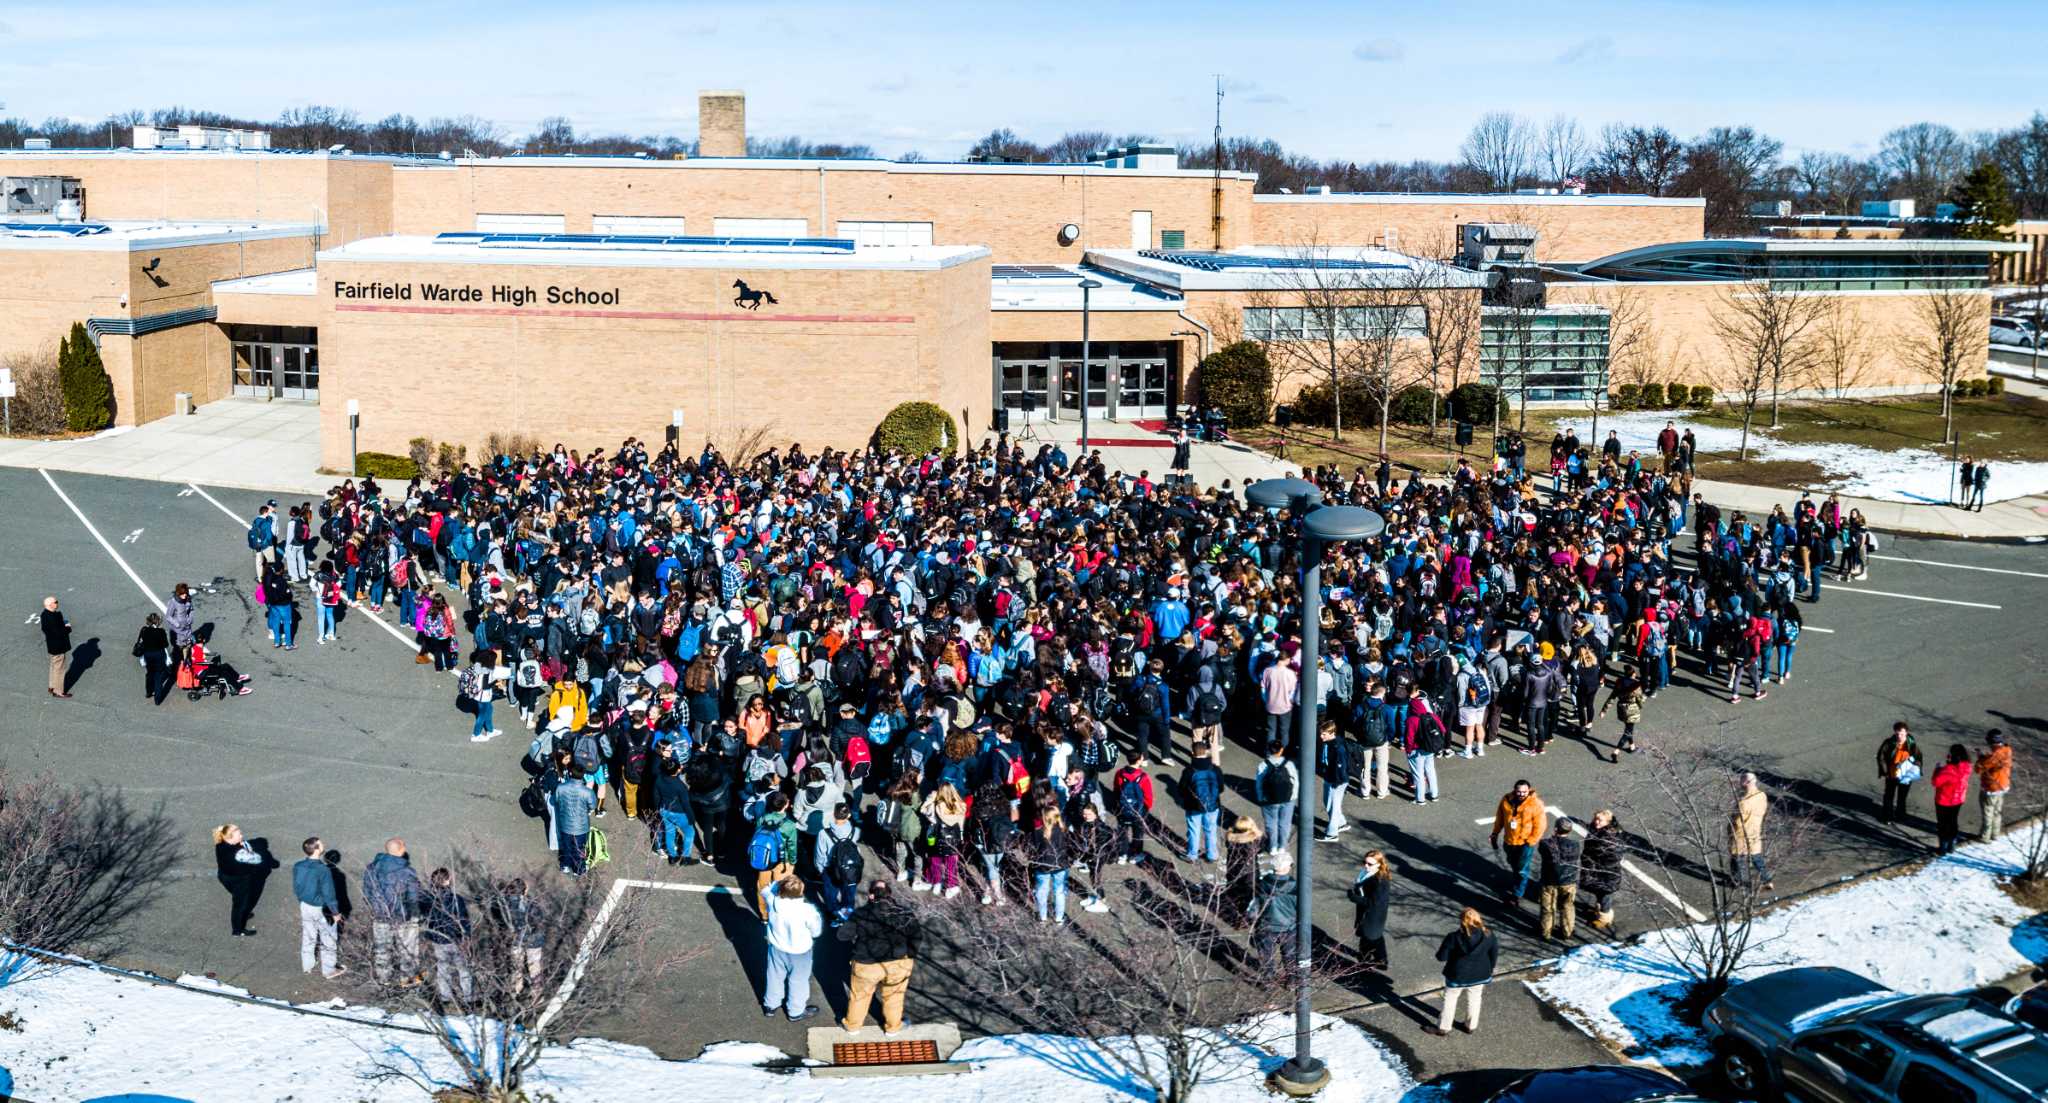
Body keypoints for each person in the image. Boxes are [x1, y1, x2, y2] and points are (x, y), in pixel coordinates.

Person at [838, 879, 921, 1035]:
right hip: (898, 963)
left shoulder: (861, 914)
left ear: (870, 896)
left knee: (859, 996)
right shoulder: (903, 913)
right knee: (894, 997)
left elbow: (842, 935)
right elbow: (916, 937)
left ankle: (853, 1027)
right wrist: (910, 955)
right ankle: (893, 1028)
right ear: (890, 895)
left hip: (865, 964)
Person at [1426, 908, 1499, 1037]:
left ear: (1462, 921)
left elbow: (1441, 957)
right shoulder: (1489, 935)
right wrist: (1489, 969)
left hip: (1457, 975)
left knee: (1450, 999)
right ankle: (1470, 1026)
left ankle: (1444, 1028)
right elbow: (1493, 955)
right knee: (1475, 999)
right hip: (1480, 974)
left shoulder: (1454, 937)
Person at [761, 875, 823, 1022]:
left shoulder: (772, 900)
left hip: (777, 947)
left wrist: (779, 884)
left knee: (774, 976)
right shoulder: (807, 910)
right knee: (798, 981)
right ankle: (795, 1011)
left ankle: (770, 1005)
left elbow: (766, 889)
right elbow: (816, 931)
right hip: (800, 951)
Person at [364, 837, 424, 985]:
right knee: (408, 949)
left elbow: (367, 892)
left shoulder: (371, 868)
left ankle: (384, 979)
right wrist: (415, 916)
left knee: (382, 949)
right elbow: (413, 897)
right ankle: (409, 979)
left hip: (380, 916)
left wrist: (375, 909)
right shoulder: (407, 871)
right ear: (400, 849)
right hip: (403, 916)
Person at [292, 836, 345, 979]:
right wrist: (335, 912)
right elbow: (329, 893)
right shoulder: (323, 870)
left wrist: (302, 899)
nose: (323, 845)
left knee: (308, 935)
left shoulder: (298, 865)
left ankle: (307, 965)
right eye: (321, 844)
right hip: (321, 907)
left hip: (305, 905)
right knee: (328, 938)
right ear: (316, 849)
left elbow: (297, 887)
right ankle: (329, 970)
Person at [1489, 780, 1547, 906]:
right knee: (1514, 865)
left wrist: (1531, 842)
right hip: (1509, 841)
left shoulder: (1536, 804)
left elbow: (1540, 825)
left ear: (1529, 790)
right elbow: (1500, 818)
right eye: (1519, 791)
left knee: (1522, 870)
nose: (1521, 794)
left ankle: (1517, 894)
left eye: (1524, 792)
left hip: (1525, 844)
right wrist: (1495, 833)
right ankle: (1517, 882)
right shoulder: (1506, 800)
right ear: (1515, 790)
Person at [422, 867, 476, 1003]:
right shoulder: (457, 899)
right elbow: (464, 920)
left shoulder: (428, 899)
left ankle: (445, 997)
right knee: (463, 970)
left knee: (443, 969)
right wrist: (467, 937)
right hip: (455, 939)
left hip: (438, 940)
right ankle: (468, 998)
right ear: (447, 881)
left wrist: (428, 937)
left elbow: (426, 920)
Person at [212, 823, 269, 937]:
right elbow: (257, 859)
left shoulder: (220, 843)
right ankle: (238, 930)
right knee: (240, 905)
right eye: (239, 834)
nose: (241, 835)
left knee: (239, 899)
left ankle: (242, 915)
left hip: (224, 876)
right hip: (239, 880)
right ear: (230, 837)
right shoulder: (239, 853)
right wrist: (247, 846)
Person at [1251, 849, 1300, 967]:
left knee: (1266, 958)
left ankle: (1268, 981)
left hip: (1266, 927)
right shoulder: (1295, 887)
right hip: (1288, 928)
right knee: (1290, 957)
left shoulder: (1261, 884)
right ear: (1287, 867)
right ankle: (1292, 982)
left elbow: (1254, 907)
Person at [1536, 818, 1582, 941]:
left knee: (1548, 907)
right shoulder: (1575, 845)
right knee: (1567, 906)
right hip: (1568, 881)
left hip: (1549, 881)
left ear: (1556, 828)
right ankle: (1567, 932)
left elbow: (1542, 851)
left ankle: (1546, 932)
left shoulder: (1546, 844)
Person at [1347, 849, 1392, 973]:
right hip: (1370, 915)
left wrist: (1354, 898)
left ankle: (1363, 963)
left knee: (1367, 939)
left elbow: (1374, 903)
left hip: (1372, 916)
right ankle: (1381, 961)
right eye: (1364, 862)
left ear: (1379, 864)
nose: (1366, 866)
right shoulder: (1368, 873)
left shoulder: (1380, 882)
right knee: (1375, 938)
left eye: (1370, 864)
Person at [1580, 809, 1625, 930]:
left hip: (1605, 873)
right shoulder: (1599, 831)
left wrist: (1597, 861)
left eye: (1600, 820)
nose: (1596, 822)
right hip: (1597, 870)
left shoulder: (1609, 838)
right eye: (1595, 818)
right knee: (1599, 892)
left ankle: (1604, 919)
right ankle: (1599, 911)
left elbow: (1614, 856)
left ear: (1608, 822)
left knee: (1605, 895)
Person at [1182, 740, 1224, 864]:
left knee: (1193, 830)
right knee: (1210, 829)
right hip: (1212, 805)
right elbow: (1220, 787)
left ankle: (1192, 855)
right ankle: (1212, 854)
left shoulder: (1189, 770)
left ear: (1192, 753)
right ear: (1206, 751)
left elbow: (1182, 789)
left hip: (1193, 806)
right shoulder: (1215, 769)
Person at [1027, 807, 1072, 923]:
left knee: (1042, 891)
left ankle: (1043, 917)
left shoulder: (1037, 832)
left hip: (1042, 866)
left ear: (1044, 817)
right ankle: (1059, 917)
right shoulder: (1064, 831)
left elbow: (1029, 848)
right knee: (1059, 892)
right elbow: (1072, 848)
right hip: (1060, 865)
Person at [1730, 772, 1772, 890]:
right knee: (1756, 857)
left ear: (1747, 783)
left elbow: (1737, 821)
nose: (1739, 782)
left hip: (1741, 835)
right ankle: (1767, 880)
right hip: (1755, 830)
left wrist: (1730, 828)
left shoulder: (1743, 802)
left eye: (1741, 780)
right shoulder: (1762, 795)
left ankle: (1739, 883)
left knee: (1737, 860)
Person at [1253, 744, 1297, 854]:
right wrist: (1293, 796)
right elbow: (1295, 782)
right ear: (1281, 750)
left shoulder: (1263, 765)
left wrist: (1260, 797)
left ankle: (1272, 846)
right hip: (1287, 799)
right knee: (1285, 823)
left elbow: (1259, 783)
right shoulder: (1289, 764)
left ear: (1269, 751)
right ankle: (1282, 846)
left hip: (1269, 799)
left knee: (1271, 823)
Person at [553, 766, 597, 876]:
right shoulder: (587, 792)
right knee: (579, 849)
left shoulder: (561, 787)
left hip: (565, 823)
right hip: (581, 826)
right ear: (583, 776)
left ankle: (565, 865)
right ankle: (578, 869)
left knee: (566, 846)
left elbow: (556, 800)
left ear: (571, 774)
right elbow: (593, 805)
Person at [1877, 721, 1922, 826]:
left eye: (1902, 734)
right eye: (1897, 734)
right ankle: (1887, 816)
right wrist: (1885, 771)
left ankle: (1900, 815)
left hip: (1905, 776)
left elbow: (1918, 757)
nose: (1899, 736)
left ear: (1906, 733)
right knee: (1889, 796)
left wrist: (1916, 767)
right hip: (1892, 775)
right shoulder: (1889, 743)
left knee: (1902, 797)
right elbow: (1881, 757)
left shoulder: (1911, 744)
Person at [1931, 744, 1974, 855]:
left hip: (1944, 801)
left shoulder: (1948, 770)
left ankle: (1943, 848)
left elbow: (1935, 782)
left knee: (1942, 824)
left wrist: (1937, 770)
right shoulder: (1967, 767)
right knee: (1953, 821)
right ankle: (1951, 845)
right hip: (1958, 799)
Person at [1978, 729, 2012, 842]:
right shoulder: (2007, 750)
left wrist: (1980, 757)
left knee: (1988, 812)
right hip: (2002, 785)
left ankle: (1985, 836)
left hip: (1991, 787)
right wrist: (1987, 757)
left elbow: (1979, 768)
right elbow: (1994, 762)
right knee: (1997, 812)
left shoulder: (1994, 755)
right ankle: (1995, 834)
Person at [133, 611, 173, 703]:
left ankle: (149, 692)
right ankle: (157, 699)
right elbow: (165, 644)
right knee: (158, 675)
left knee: (150, 673)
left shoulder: (144, 630)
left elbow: (140, 641)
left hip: (147, 654)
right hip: (158, 654)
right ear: (157, 621)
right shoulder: (161, 631)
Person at [40, 596, 73, 698]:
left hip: (52, 646)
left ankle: (52, 686)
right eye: (56, 602)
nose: (57, 603)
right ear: (50, 605)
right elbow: (58, 632)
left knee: (54, 666)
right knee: (60, 668)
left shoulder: (44, 614)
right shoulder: (52, 617)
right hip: (58, 646)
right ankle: (58, 691)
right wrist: (67, 628)